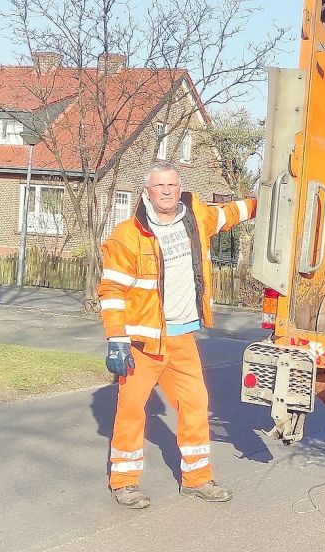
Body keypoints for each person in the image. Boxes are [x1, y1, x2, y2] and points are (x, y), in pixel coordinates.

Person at [97, 161, 257, 509]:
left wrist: (268, 201)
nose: (166, 191)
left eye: (171, 185)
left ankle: (197, 479)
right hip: (143, 342)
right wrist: (116, 339)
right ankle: (124, 482)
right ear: (147, 192)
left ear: (179, 186)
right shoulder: (127, 235)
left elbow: (230, 213)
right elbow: (111, 290)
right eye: (159, 186)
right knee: (132, 409)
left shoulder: (195, 219)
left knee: (196, 404)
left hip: (182, 337)